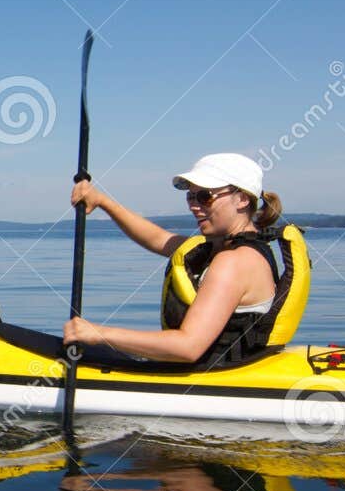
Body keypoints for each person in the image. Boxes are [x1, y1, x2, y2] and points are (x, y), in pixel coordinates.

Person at [63, 152, 286, 365]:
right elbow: (158, 239)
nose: (194, 206)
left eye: (205, 197)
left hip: (210, 383)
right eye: (190, 196)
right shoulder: (226, 247)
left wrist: (99, 333)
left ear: (242, 199)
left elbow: (188, 347)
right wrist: (102, 201)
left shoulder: (234, 262)